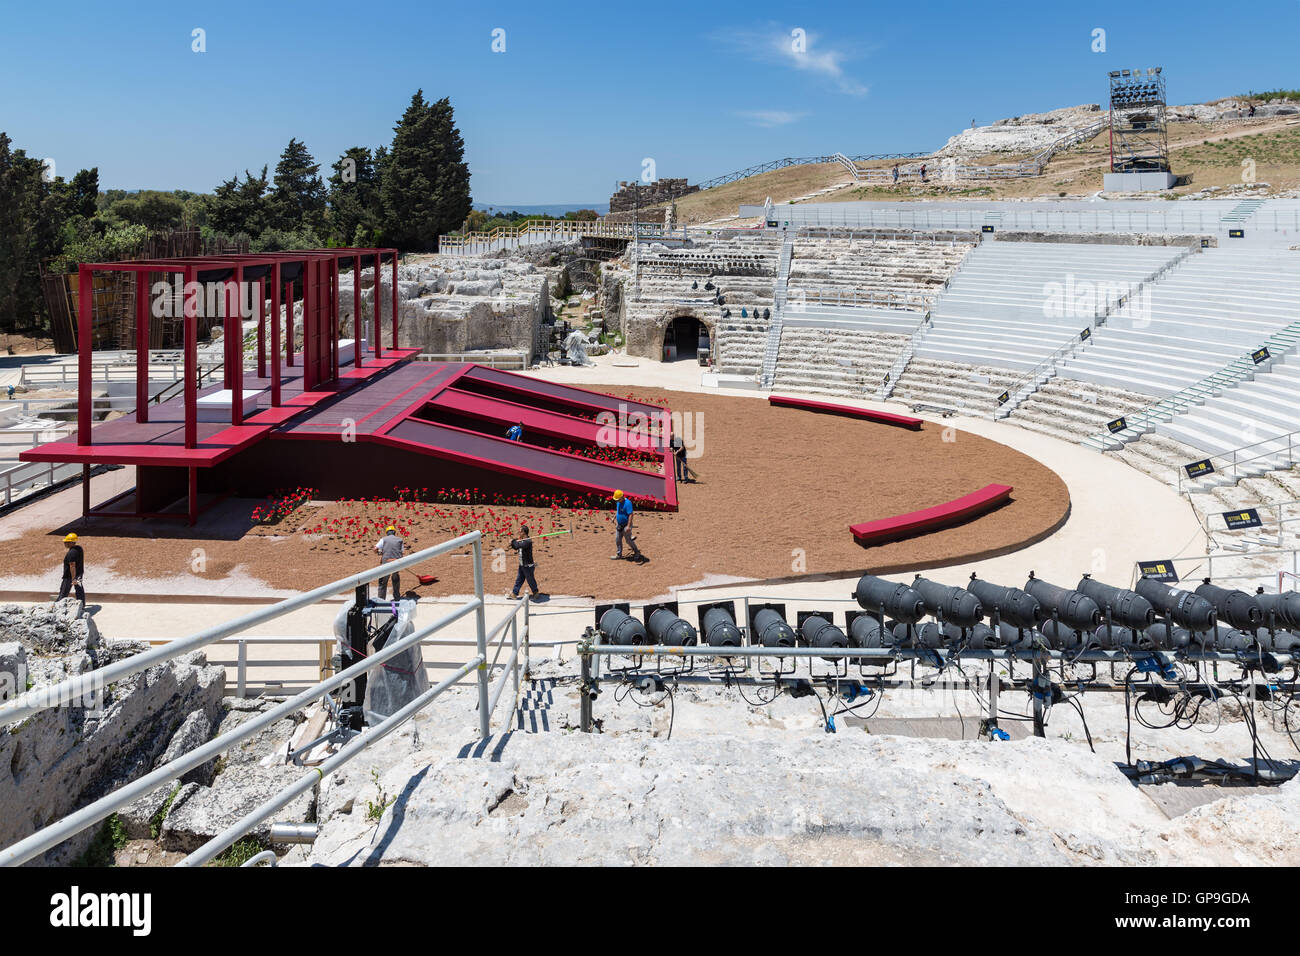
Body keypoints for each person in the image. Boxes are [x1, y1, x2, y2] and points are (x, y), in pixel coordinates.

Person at [508, 525, 542, 599]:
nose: (518, 532)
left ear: (523, 532)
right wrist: (512, 543)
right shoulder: (522, 540)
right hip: (522, 564)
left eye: (520, 531)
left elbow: (517, 545)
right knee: (519, 580)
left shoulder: (527, 541)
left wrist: (513, 541)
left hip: (527, 565)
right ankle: (514, 594)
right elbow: (516, 546)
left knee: (530, 580)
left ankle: (536, 592)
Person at [610, 489, 642, 561]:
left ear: (622, 497)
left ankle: (636, 552)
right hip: (619, 524)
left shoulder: (628, 503)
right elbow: (618, 511)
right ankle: (619, 554)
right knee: (617, 539)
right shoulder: (618, 502)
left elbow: (630, 514)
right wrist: (614, 517)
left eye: (618, 499)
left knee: (628, 540)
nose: (617, 501)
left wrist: (628, 526)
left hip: (626, 524)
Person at [58, 532, 85, 614]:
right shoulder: (79, 548)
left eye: (66, 542)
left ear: (71, 542)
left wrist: (73, 578)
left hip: (69, 576)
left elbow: (72, 566)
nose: (64, 543)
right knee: (79, 591)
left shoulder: (71, 553)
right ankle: (82, 606)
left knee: (63, 592)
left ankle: (58, 609)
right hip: (79, 574)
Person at [374, 525, 404, 599]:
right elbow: (403, 552)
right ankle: (396, 597)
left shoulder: (383, 539)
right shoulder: (400, 540)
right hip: (397, 563)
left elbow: (375, 548)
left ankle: (381, 599)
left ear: (387, 532)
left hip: (386, 563)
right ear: (394, 532)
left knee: (383, 582)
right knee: (395, 579)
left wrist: (379, 552)